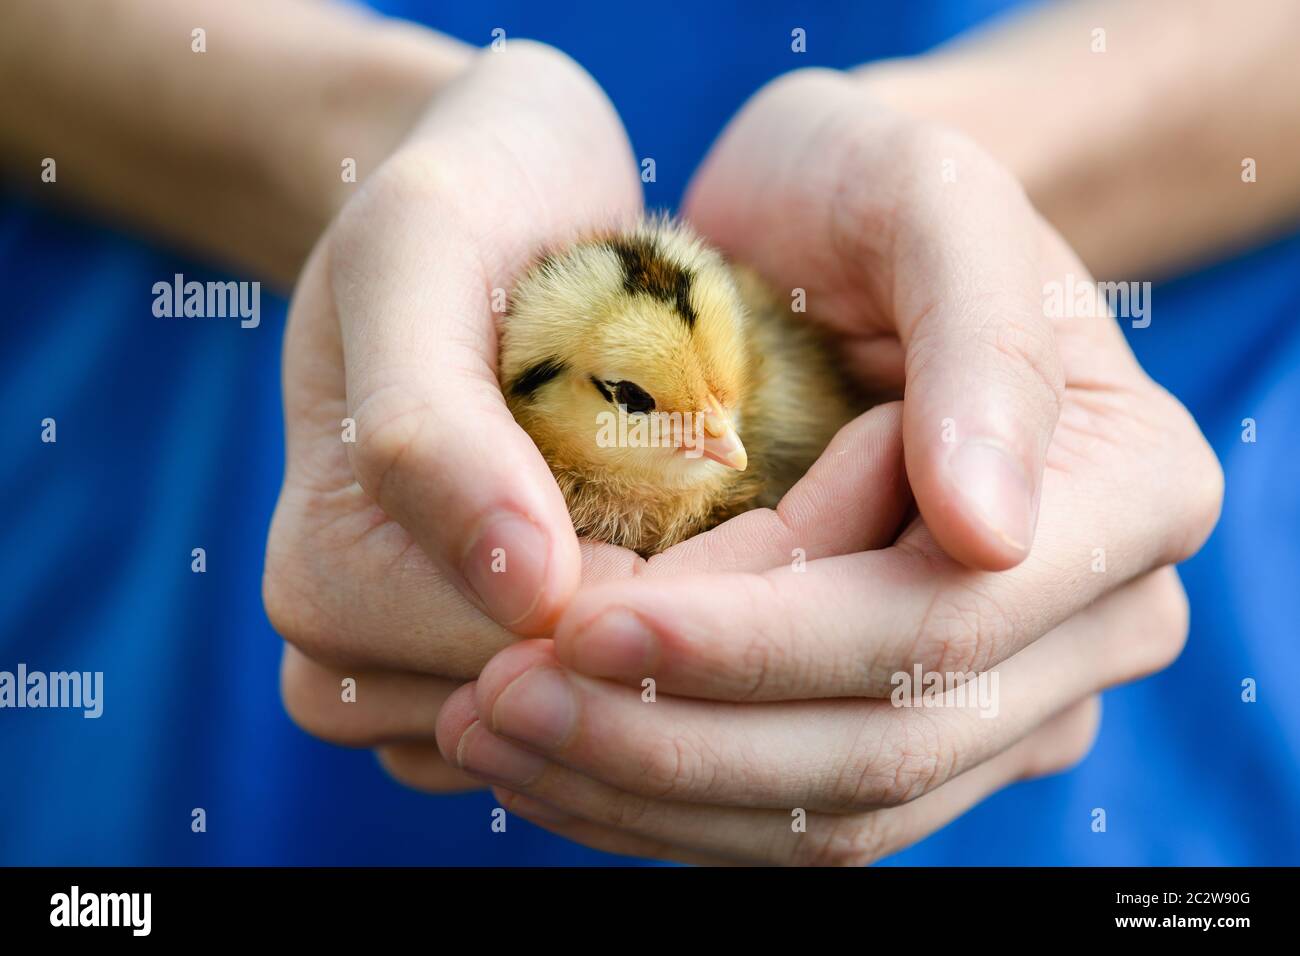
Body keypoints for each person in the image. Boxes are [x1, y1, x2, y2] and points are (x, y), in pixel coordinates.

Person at [0, 0, 1293, 865]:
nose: (721, 447)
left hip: (1142, 407)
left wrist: (978, 205)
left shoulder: (733, 393)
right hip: (165, 469)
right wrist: (358, 146)